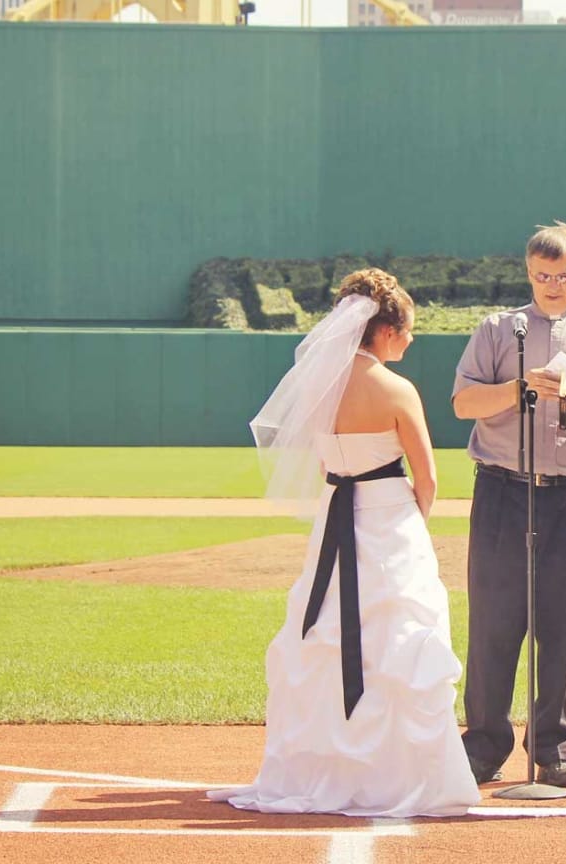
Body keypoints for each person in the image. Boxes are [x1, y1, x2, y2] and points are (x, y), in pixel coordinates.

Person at [210, 268, 479, 817]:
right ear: (383, 331)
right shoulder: (396, 388)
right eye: (407, 330)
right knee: (399, 644)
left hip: (334, 519)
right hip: (388, 520)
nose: (410, 339)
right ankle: (397, 775)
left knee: (322, 639)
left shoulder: (318, 383)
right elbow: (427, 478)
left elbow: (318, 458)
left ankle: (324, 766)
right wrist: (411, 522)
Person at [452, 221, 566, 788]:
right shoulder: (498, 330)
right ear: (528, 272)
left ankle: (556, 748)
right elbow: (464, 402)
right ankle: (484, 744)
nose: (552, 285)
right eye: (543, 275)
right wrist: (521, 387)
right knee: (493, 620)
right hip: (502, 488)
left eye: (563, 276)